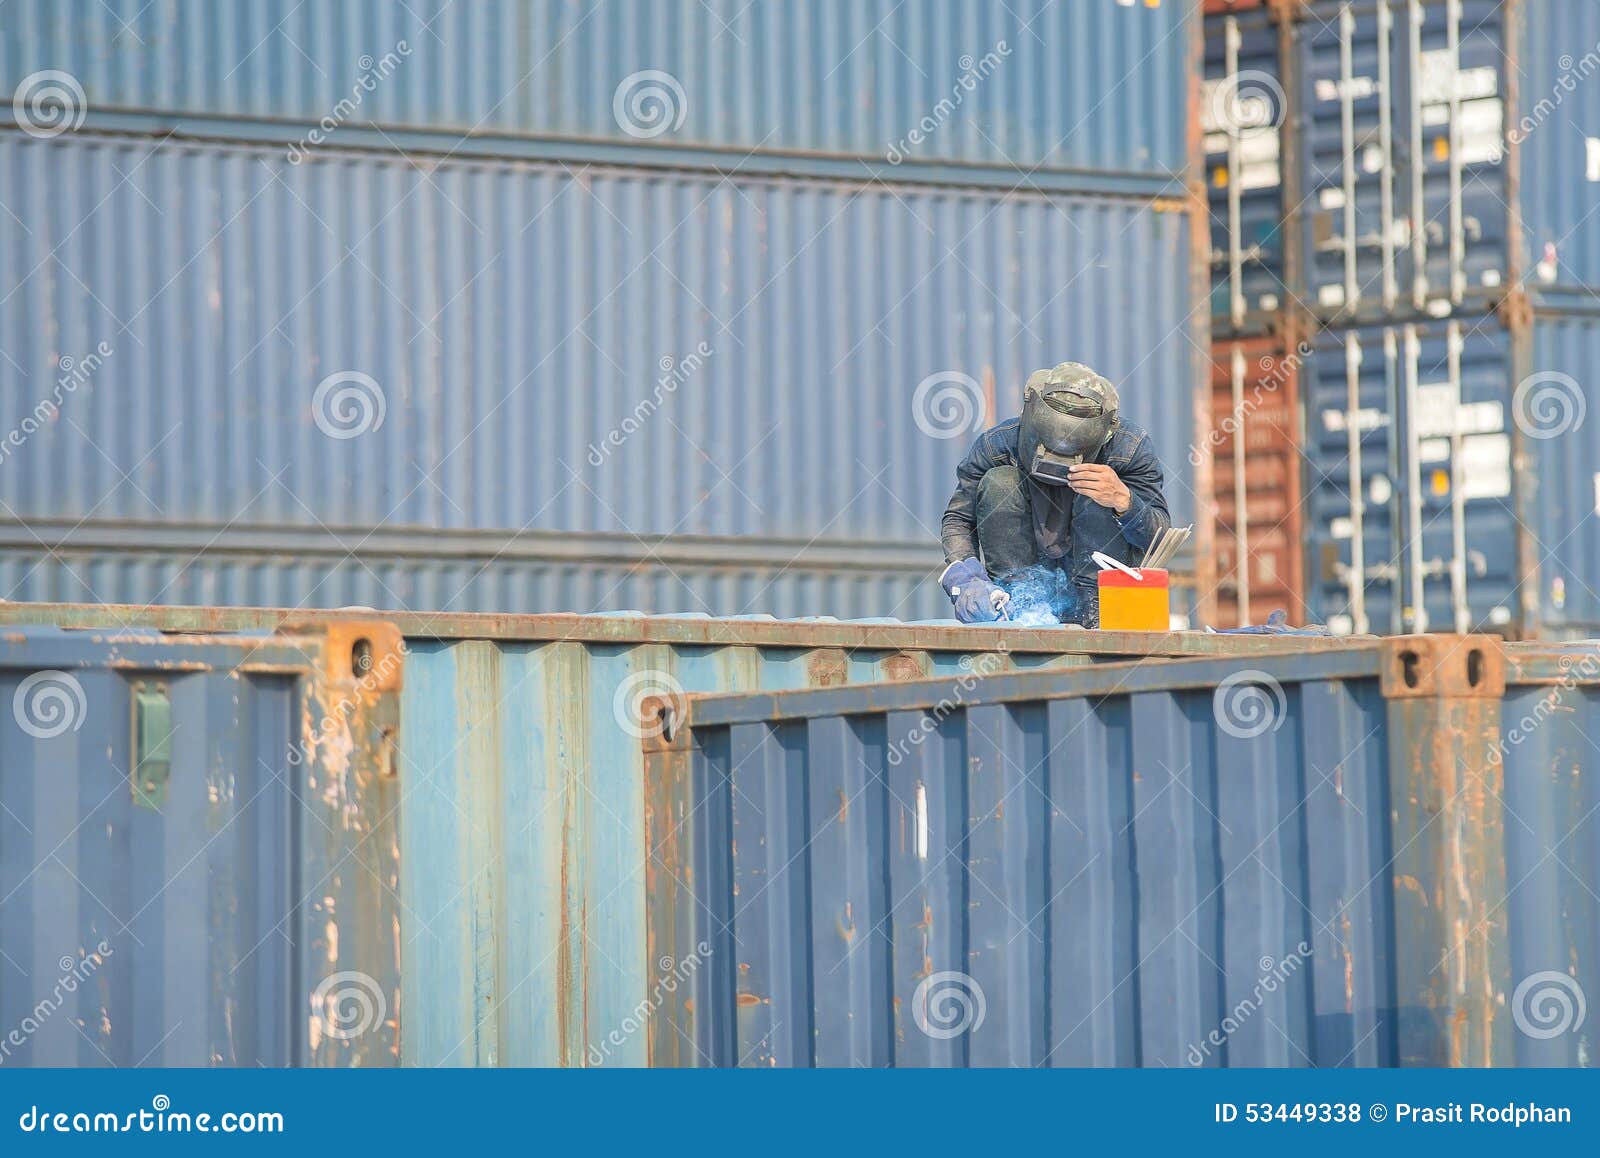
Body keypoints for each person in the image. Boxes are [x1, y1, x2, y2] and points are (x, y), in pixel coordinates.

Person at [938, 361, 1170, 627]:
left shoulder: (1129, 448)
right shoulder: (997, 446)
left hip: (1106, 597)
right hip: (1027, 586)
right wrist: (966, 579)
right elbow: (958, 519)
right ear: (1028, 416)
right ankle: (1020, 604)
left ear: (1105, 435)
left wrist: (1124, 502)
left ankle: (1094, 612)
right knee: (1000, 482)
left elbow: (1161, 539)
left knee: (1098, 490)